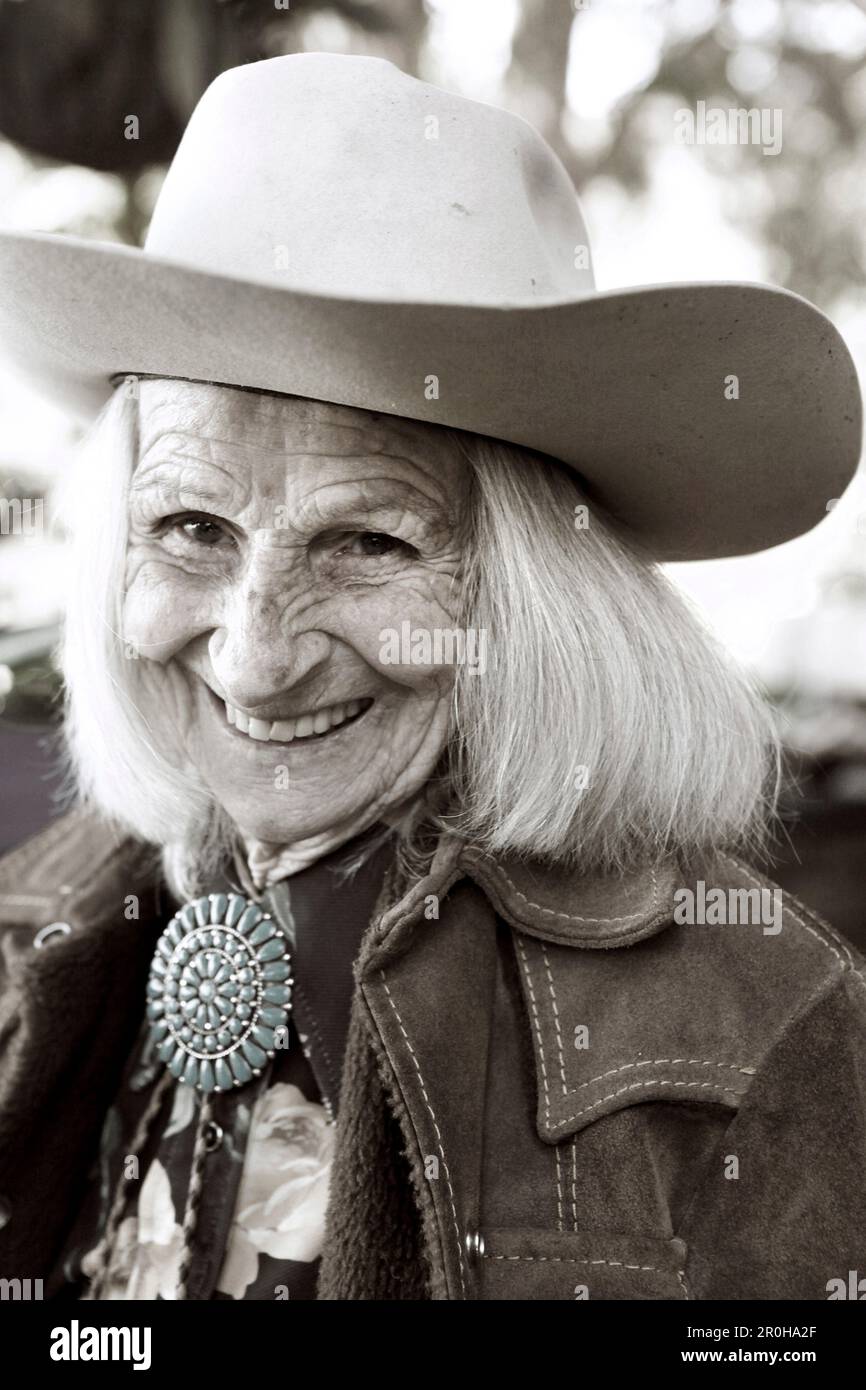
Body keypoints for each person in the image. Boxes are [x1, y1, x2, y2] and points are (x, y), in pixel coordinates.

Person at [0, 53, 863, 1301]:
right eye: (190, 527)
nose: (254, 655)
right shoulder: (30, 924)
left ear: (532, 597)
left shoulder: (761, 1022)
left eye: (365, 543)